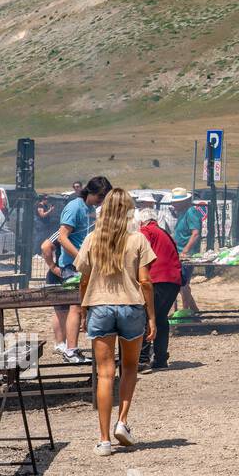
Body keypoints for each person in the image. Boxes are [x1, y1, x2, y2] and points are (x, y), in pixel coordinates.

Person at [75, 189, 155, 456]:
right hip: (131, 306)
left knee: (105, 373)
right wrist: (152, 316)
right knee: (130, 367)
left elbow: (83, 278)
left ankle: (104, 439)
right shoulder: (138, 239)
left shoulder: (92, 239)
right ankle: (122, 421)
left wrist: (84, 308)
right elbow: (145, 281)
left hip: (100, 306)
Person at [54, 176, 112, 364]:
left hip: (85, 265)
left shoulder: (90, 209)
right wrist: (80, 257)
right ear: (91, 192)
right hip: (72, 266)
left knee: (82, 307)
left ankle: (74, 348)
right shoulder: (74, 207)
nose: (101, 201)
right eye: (100, 196)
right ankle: (70, 351)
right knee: (76, 307)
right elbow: (62, 237)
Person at [136, 195, 181, 370]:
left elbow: (139, 252)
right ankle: (161, 359)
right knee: (161, 318)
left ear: (142, 222)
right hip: (173, 281)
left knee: (146, 316)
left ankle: (143, 358)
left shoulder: (146, 231)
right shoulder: (163, 233)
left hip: (158, 279)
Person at [166, 188, 204, 321]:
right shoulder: (183, 213)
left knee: (183, 283)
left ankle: (186, 310)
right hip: (180, 253)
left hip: (187, 254)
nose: (174, 205)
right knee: (182, 283)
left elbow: (195, 233)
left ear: (186, 201)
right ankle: (193, 310)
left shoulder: (191, 211)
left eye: (178, 202)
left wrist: (185, 251)